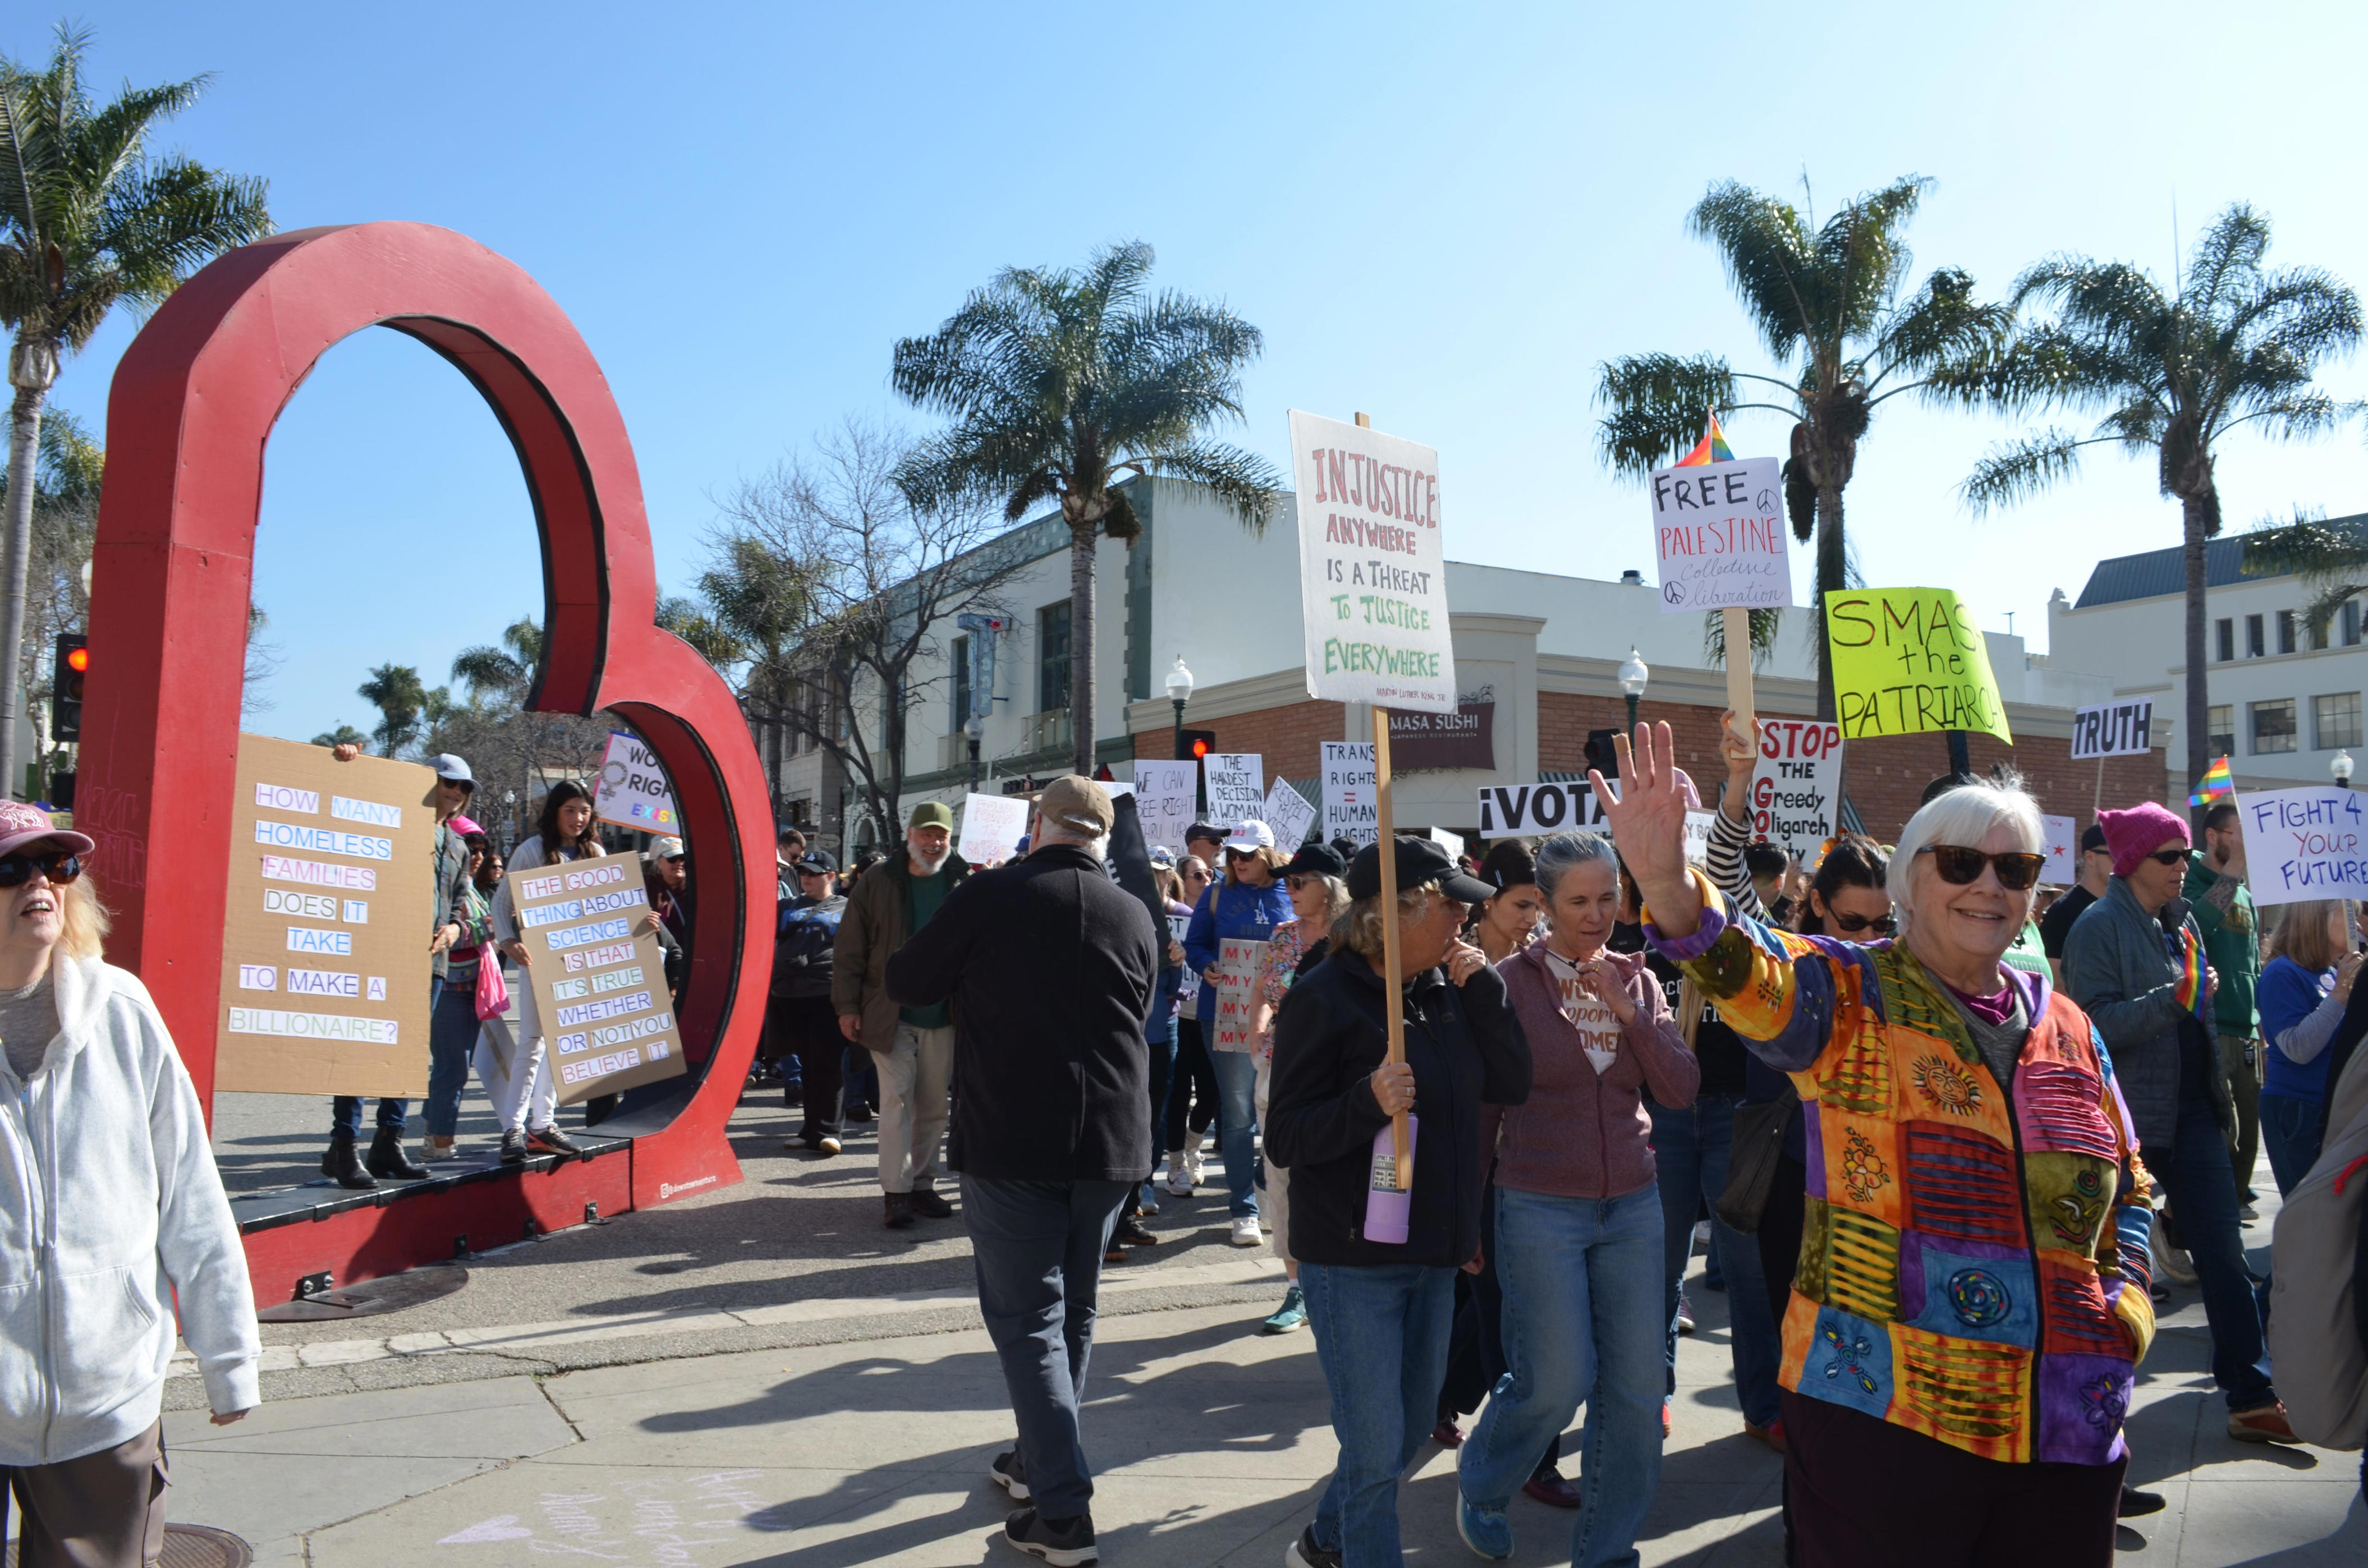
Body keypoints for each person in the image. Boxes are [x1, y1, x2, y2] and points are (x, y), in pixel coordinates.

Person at [1619, 724, 2156, 1565]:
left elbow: (2129, 1178)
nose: (1989, 885)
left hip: (2064, 1420)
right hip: (1885, 1416)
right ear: (1908, 878)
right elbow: (1742, 968)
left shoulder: (2069, 1026)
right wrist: (1666, 883)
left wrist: (2124, 1307)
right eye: (1961, 863)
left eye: (2014, 868)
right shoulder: (1846, 992)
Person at [883, 776, 1157, 1567]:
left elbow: (907, 981)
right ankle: (1039, 1461)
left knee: (1029, 1316)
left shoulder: (990, 894)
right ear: (1100, 837)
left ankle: (1063, 1510)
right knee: (1071, 1310)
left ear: (1038, 825)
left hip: (1014, 1135)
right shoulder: (1133, 910)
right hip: (1110, 1141)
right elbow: (1139, 1008)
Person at [0, 802, 260, 1565]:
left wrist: (229, 1356)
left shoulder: (123, 1010)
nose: (41, 883)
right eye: (11, 868)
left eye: (57, 865)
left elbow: (190, 1191)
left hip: (106, 1397)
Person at [1267, 836, 1529, 1568]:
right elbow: (1284, 1136)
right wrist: (1365, 1101)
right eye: (1450, 907)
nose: (1463, 920)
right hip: (1352, 1261)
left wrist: (1486, 989)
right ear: (1394, 913)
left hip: (1433, 1255)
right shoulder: (1322, 995)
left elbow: (1512, 1081)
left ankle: (1325, 1538)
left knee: (1407, 1429)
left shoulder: (1447, 987)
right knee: (1375, 1445)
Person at [1454, 831, 1697, 1564]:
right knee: (1555, 1379)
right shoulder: (1507, 983)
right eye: (1578, 901)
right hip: (1536, 1203)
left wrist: (1630, 1011)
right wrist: (1466, 1215)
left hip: (1632, 1204)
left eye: (1607, 898)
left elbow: (1679, 1088)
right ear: (1545, 904)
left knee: (1635, 1392)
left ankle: (1607, 1550)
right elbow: (1482, 1110)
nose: (1596, 915)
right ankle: (1484, 1479)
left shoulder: (1638, 978)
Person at [2064, 800, 2295, 1442]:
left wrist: (2200, 993)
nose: (2181, 866)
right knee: (2103, 1275)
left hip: (2193, 1112)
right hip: (2125, 1121)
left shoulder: (2180, 916)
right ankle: (2086, 1422)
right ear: (2132, 860)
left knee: (2223, 1255)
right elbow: (2090, 1023)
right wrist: (2176, 997)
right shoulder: (2095, 926)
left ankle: (2250, 1395)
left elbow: (2198, 986)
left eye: (2184, 855)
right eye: (2169, 856)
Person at [321, 748, 475, 1188]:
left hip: (431, 962)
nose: (456, 792)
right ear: (428, 783)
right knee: (361, 1046)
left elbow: (460, 904)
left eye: (464, 786)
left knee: (406, 1055)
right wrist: (348, 763)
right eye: (448, 782)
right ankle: (344, 1145)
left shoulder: (458, 846)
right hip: (380, 953)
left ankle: (388, 1141)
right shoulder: (390, 822)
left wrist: (455, 928)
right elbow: (346, 810)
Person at [835, 801, 971, 1229]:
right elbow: (850, 946)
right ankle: (897, 1191)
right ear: (910, 835)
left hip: (943, 1013)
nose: (933, 843)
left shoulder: (964, 881)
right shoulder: (878, 879)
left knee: (933, 1107)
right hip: (888, 1011)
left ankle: (922, 1185)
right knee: (896, 1101)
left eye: (941, 835)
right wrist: (847, 1006)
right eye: (926, 834)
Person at [1249, 842, 1350, 1334]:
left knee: (1334, 1177)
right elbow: (1263, 990)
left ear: (1327, 888)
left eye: (1297, 882)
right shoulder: (1283, 936)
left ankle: (1339, 1279)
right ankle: (1297, 1286)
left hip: (1338, 1075)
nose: (1288, 890)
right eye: (1286, 882)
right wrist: (1257, 1032)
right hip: (1280, 1071)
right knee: (1281, 1176)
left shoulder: (1357, 936)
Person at [1183, 820, 1295, 1247]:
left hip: (1284, 1020)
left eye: (1247, 855)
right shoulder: (1216, 893)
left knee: (1280, 1109)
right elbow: (1195, 946)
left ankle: (1264, 1182)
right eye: (1232, 855)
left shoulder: (1291, 891)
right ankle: (1243, 1208)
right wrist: (1206, 965)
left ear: (1267, 855)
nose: (1238, 862)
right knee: (1238, 1116)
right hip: (1227, 1015)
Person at [489, 782, 605, 1165]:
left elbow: (607, 908)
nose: (577, 818)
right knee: (533, 1042)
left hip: (578, 964)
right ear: (555, 812)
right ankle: (513, 1128)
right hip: (539, 961)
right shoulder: (532, 851)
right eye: (570, 809)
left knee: (563, 1042)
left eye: (584, 811)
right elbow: (502, 902)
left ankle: (544, 1124)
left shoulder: (596, 854)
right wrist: (508, 941)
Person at [2187, 802, 2264, 1212]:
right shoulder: (2190, 881)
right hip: (2213, 1027)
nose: (2245, 844)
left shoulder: (2247, 894)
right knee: (2224, 1132)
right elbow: (2195, 927)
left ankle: (2233, 1207)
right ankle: (2214, 1213)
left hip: (2247, 1031)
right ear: (2213, 836)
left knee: (2250, 1136)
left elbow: (2253, 963)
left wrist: (2261, 1028)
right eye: (2238, 834)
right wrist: (2233, 869)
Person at [2256, 898, 2362, 1195]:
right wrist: (2340, 995)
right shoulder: (2282, 972)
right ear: (2317, 918)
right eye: (2349, 913)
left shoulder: (2331, 974)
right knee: (2312, 1210)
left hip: (2328, 1106)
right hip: (2298, 1109)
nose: (2357, 924)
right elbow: (2298, 1048)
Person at [423, 819, 498, 1158]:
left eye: (483, 850)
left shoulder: (471, 886)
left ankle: (434, 1131)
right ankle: (440, 1142)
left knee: (454, 1069)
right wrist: (492, 925)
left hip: (472, 988)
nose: (478, 856)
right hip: (448, 988)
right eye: (472, 848)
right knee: (452, 1069)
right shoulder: (442, 886)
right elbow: (443, 935)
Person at [775, 849, 850, 1156]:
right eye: (803, 872)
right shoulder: (786, 906)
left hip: (827, 995)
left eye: (813, 873)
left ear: (830, 876)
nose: (805, 878)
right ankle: (810, 1131)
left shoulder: (847, 907)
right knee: (807, 1065)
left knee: (828, 1063)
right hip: (790, 996)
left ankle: (830, 1132)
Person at [1164, 853, 1220, 1194]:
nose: (1206, 879)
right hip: (1178, 1018)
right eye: (1197, 875)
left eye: (1209, 873)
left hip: (1209, 1016)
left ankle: (1192, 1145)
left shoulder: (1217, 915)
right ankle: (1175, 1167)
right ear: (1181, 881)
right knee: (1178, 1093)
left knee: (1212, 1092)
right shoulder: (1168, 917)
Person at [2040, 824, 2113, 979]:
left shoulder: (2123, 908)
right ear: (2090, 858)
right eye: (2115, 856)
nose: (2123, 863)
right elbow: (2054, 979)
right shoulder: (2063, 912)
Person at [1467, 840, 1544, 963]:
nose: (1533, 920)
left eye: (1540, 907)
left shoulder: (1546, 959)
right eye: (1522, 906)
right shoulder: (1451, 960)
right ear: (1488, 897)